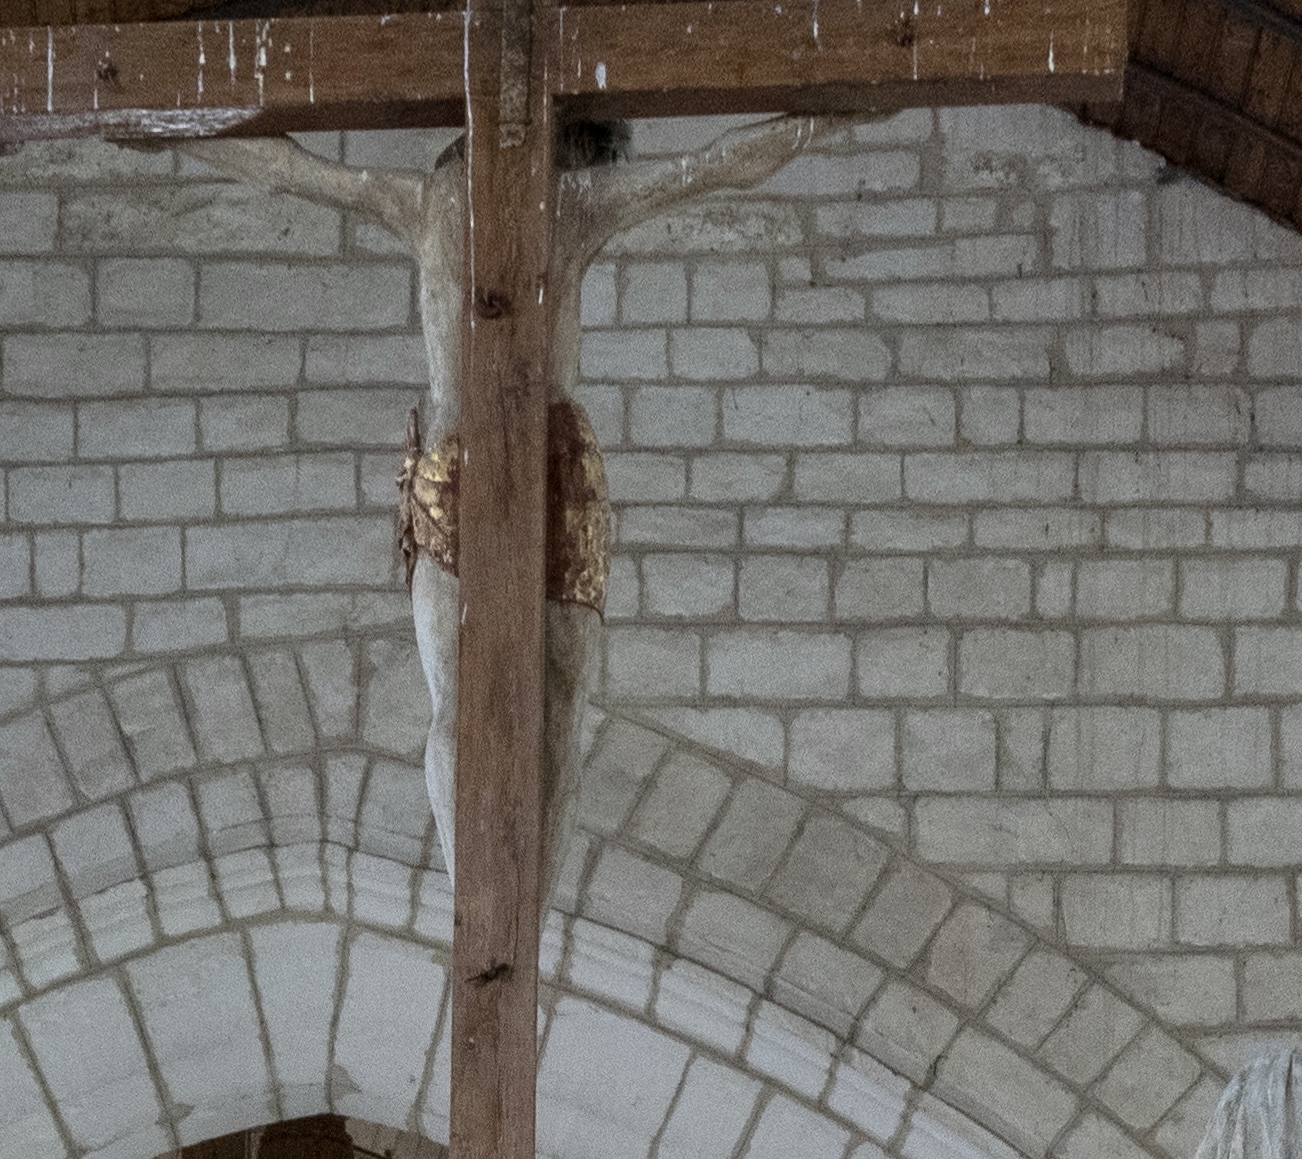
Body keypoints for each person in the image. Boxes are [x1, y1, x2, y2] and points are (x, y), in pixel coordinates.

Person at [169, 114, 828, 886]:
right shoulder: (568, 200)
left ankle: (484, 917)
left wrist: (158, 126)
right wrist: (822, 121)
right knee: (554, 701)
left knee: (462, 691)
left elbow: (287, 170)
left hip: (468, 452)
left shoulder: (436, 199)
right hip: (543, 457)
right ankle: (509, 925)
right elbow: (718, 166)